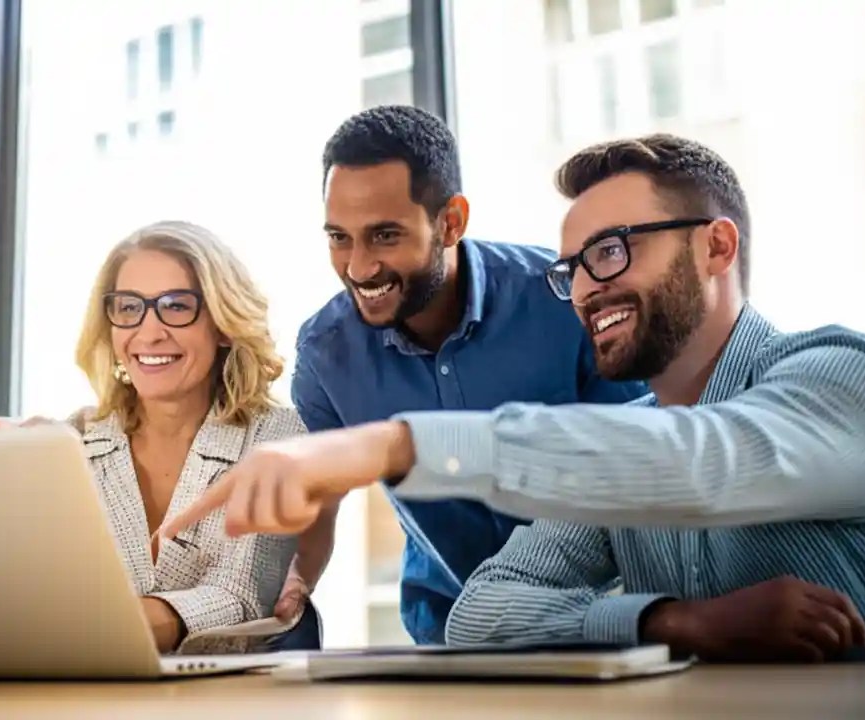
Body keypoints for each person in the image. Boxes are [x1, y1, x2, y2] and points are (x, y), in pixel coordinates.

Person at [160, 134, 865, 663]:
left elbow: (701, 463)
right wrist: (678, 621)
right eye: (575, 269)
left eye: (611, 250)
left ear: (716, 246)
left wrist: (394, 445)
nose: (589, 288)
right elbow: (480, 613)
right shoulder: (623, 446)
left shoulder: (852, 379)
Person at [274, 105, 645, 643]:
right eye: (339, 237)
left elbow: (639, 458)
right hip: (450, 630)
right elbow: (319, 500)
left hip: (600, 622)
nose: (357, 267)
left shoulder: (565, 302)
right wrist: (294, 579)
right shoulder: (326, 354)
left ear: (451, 222)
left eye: (384, 236)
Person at [0, 220, 304, 654]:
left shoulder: (279, 436)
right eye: (129, 308)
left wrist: (78, 626)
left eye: (176, 306)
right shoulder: (69, 444)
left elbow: (239, 599)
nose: (149, 332)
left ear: (222, 324)